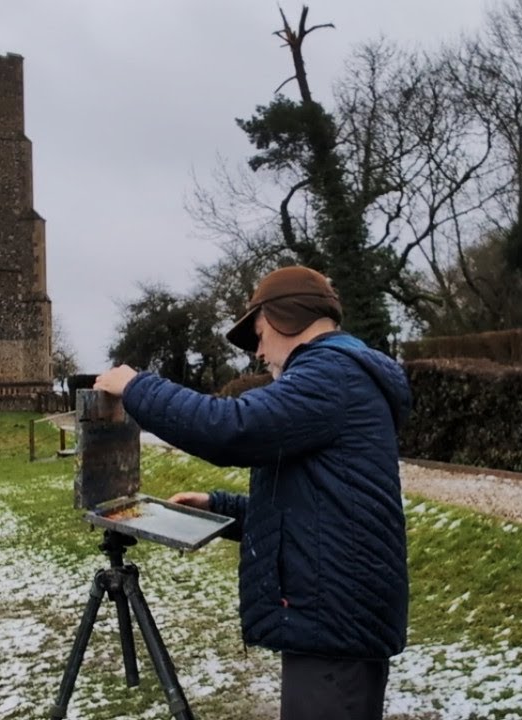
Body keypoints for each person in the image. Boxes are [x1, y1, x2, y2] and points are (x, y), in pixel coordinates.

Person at [93, 265, 411, 720]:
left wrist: (137, 386)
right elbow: (316, 508)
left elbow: (230, 429)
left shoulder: (331, 373)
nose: (259, 352)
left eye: (259, 334)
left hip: (335, 623)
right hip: (337, 615)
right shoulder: (340, 375)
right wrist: (219, 508)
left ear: (287, 317)